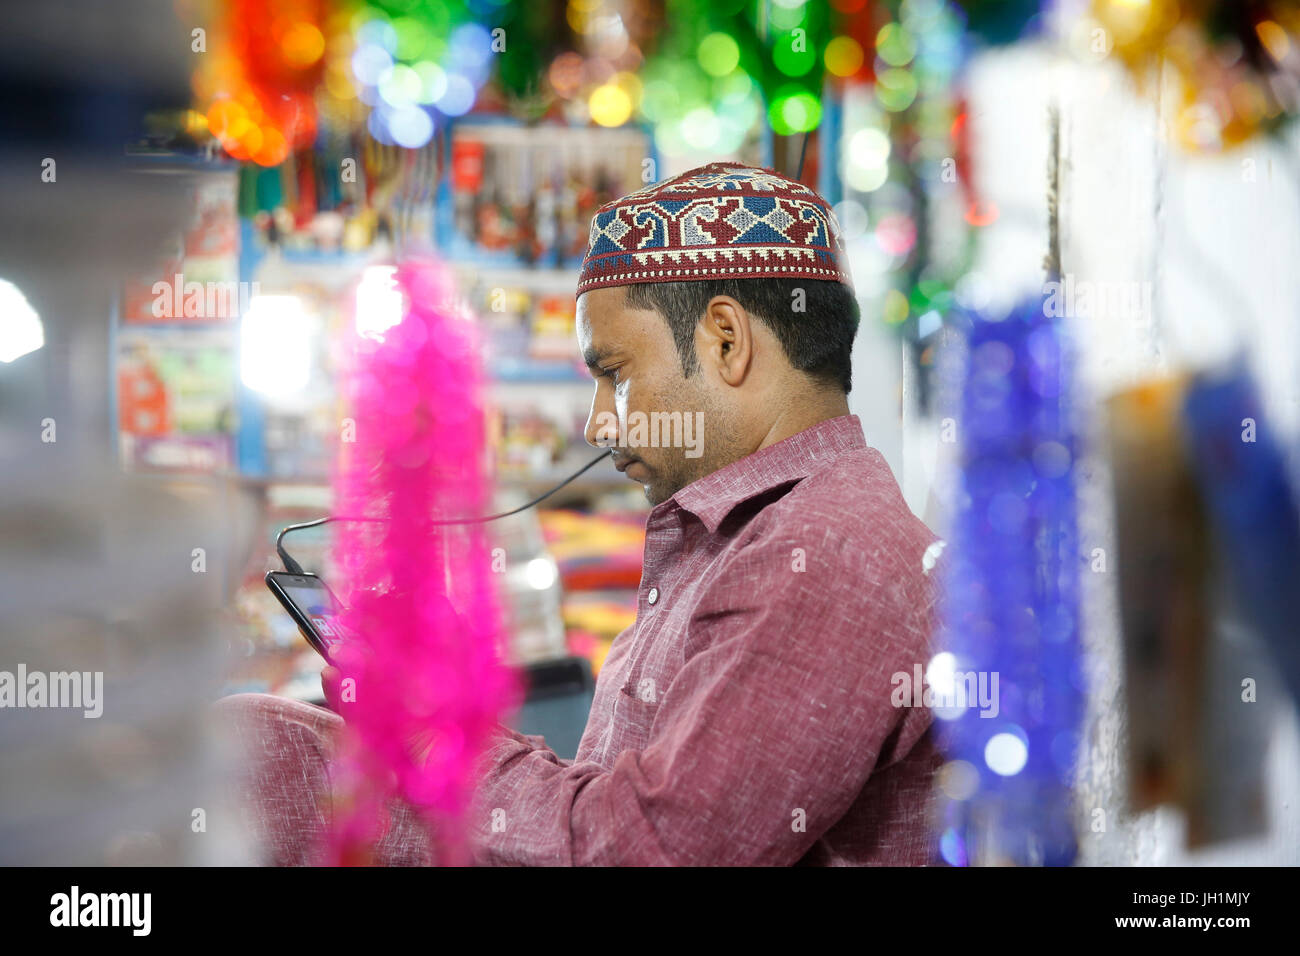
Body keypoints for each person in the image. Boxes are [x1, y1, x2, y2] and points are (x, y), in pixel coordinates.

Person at [220, 162, 945, 866]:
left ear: (726, 341)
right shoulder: (754, 535)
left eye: (614, 373)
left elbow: (652, 849)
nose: (600, 423)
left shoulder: (825, 550)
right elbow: (606, 817)